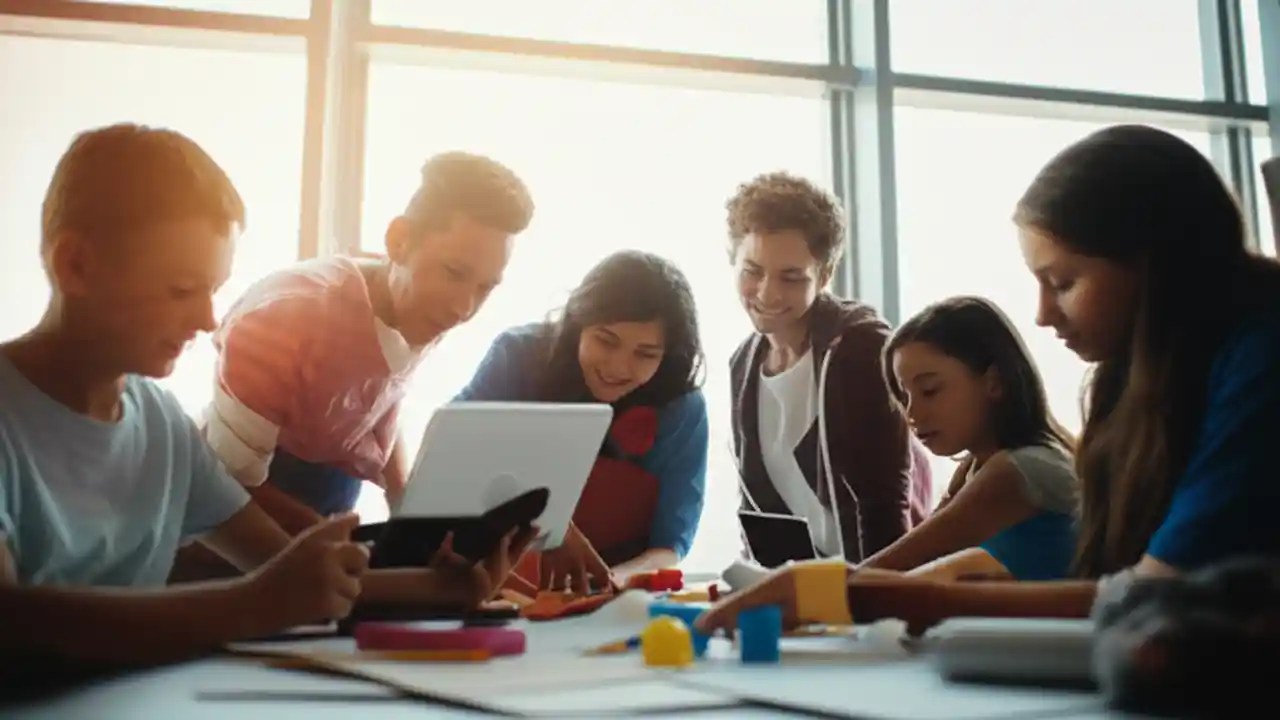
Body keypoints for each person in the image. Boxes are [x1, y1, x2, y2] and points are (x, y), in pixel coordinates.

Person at [696, 124, 1280, 636]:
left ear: (1156, 260)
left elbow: (1153, 601)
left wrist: (855, 593)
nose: (1044, 315)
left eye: (1064, 281)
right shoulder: (1137, 389)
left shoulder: (1260, 359)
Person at [0, 124, 532, 666]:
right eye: (182, 290)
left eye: (213, 289)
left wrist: (444, 589)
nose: (209, 318)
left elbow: (294, 573)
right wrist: (253, 604)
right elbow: (11, 620)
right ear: (76, 267)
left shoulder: (161, 423)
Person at [203, 152, 534, 535]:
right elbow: (227, 487)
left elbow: (381, 402)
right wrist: (339, 545)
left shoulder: (419, 305)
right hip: (235, 522)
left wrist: (406, 511)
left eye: (485, 287)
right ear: (399, 241)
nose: (464, 308)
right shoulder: (282, 321)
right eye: (454, 273)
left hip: (327, 503)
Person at [455, 250, 708, 591]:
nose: (618, 367)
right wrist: (550, 523)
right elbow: (453, 456)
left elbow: (668, 546)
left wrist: (606, 585)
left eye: (645, 354)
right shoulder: (518, 357)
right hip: (486, 588)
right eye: (606, 341)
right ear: (578, 322)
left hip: (606, 600)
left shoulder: (682, 409)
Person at [725, 172, 932, 564]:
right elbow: (758, 511)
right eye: (752, 271)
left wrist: (871, 599)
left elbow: (885, 505)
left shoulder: (860, 348)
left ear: (824, 276)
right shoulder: (743, 364)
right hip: (808, 591)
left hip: (879, 581)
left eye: (791, 277)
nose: (768, 293)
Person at [860, 296, 1077, 581]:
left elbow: (888, 571)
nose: (912, 413)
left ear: (994, 383)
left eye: (930, 390)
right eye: (903, 397)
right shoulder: (973, 469)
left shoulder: (1018, 470)